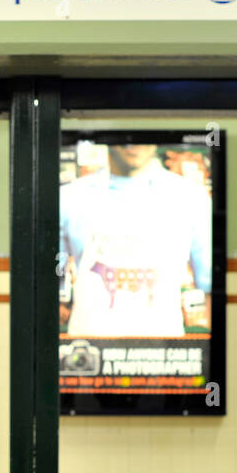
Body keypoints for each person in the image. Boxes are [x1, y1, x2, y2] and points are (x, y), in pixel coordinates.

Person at [59, 143, 212, 338]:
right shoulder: (69, 198)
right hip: (89, 351)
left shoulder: (192, 198)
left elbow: (210, 288)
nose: (134, 143)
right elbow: (53, 278)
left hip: (164, 354)